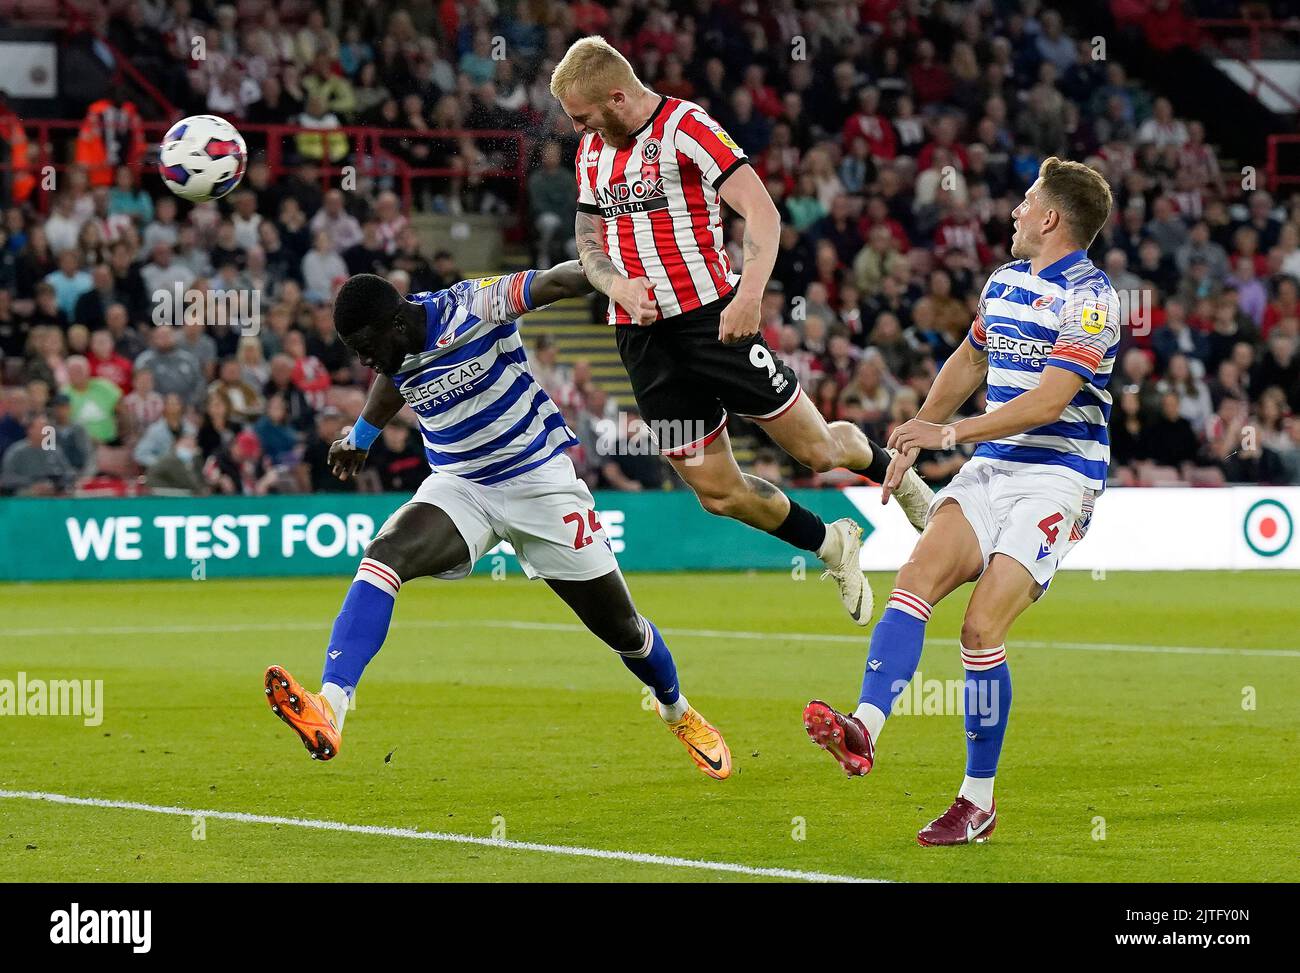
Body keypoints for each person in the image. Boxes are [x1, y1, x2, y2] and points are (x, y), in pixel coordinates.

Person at [263, 264, 732, 781]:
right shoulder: (395, 347)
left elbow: (553, 283)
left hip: (540, 482)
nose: (362, 361)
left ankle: (676, 710)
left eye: (364, 347)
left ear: (397, 324)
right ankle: (331, 706)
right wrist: (360, 437)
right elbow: (392, 380)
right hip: (462, 487)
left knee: (623, 629)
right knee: (384, 557)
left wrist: (615, 272)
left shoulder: (475, 305)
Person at [550, 37, 933, 627]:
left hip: (714, 320)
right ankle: (831, 545)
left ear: (617, 96)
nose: (577, 129)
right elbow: (589, 238)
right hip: (642, 340)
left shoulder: (686, 127)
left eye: (582, 116)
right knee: (718, 493)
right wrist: (613, 285)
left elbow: (761, 211)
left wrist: (749, 294)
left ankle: (894, 475)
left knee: (817, 451)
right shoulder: (592, 152)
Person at [802, 158, 1121, 846]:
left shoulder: (1091, 300)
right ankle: (865, 727)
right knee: (914, 580)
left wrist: (949, 432)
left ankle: (977, 800)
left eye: (1026, 199)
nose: (1014, 210)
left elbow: (1050, 400)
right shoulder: (1004, 282)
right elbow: (971, 361)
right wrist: (920, 428)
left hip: (1059, 476)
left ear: (1052, 218)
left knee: (979, 630)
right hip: (993, 468)